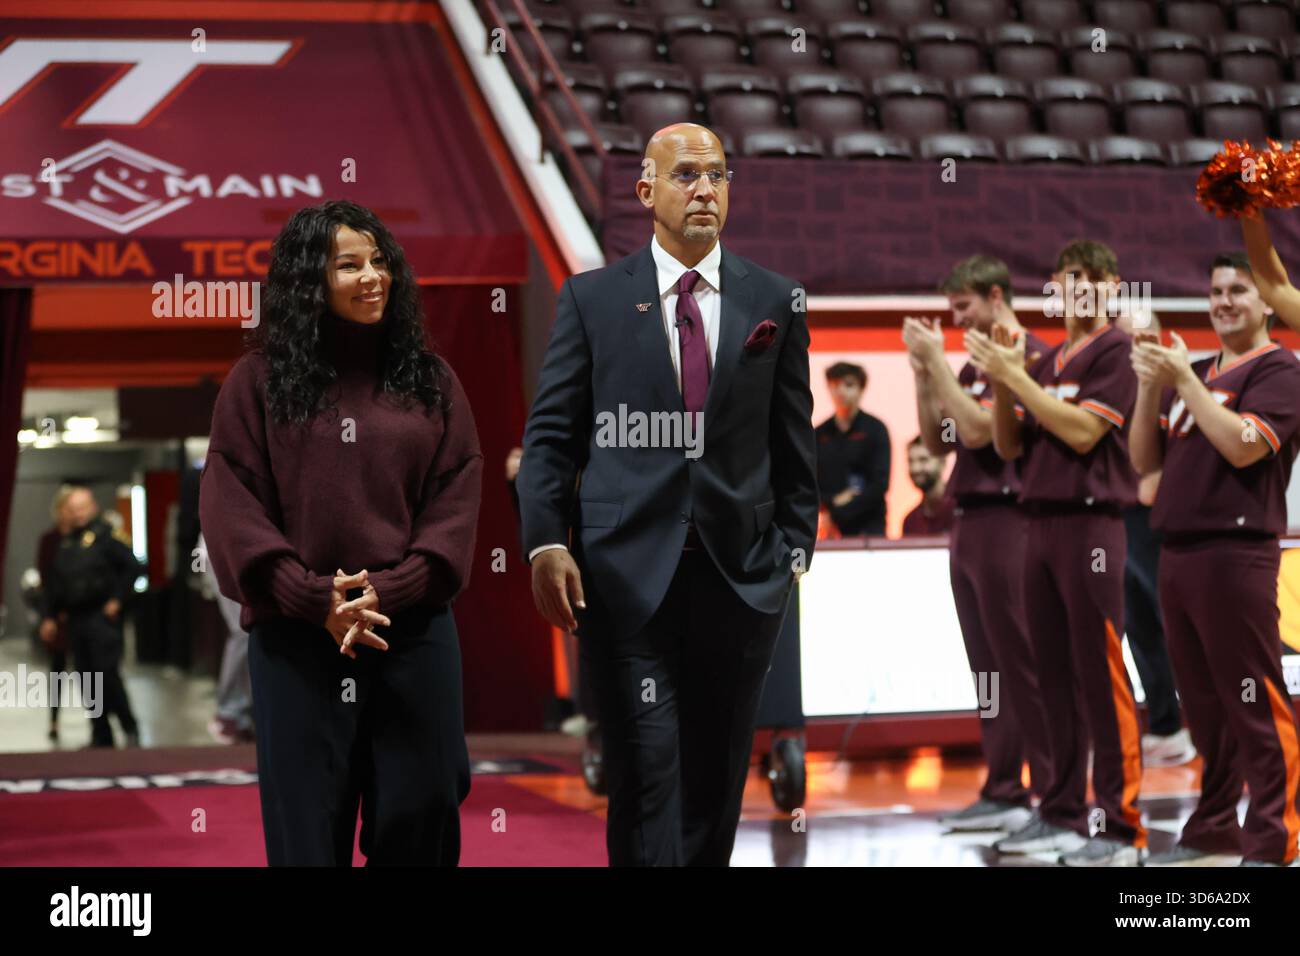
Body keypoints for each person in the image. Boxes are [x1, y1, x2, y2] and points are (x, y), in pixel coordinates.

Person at [516, 123, 818, 866]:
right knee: (646, 775)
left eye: (717, 174)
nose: (706, 189)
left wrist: (796, 550)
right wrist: (547, 540)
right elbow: (552, 437)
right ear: (646, 190)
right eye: (686, 175)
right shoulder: (590, 300)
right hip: (623, 583)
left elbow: (793, 436)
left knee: (715, 785)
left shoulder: (776, 298)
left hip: (740, 580)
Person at [199, 200, 483, 866]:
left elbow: (458, 492)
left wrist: (391, 588)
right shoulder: (256, 384)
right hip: (298, 638)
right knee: (307, 827)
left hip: (411, 631)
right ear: (309, 282)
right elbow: (231, 503)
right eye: (349, 264)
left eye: (379, 261)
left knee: (426, 803)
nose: (372, 277)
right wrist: (309, 595)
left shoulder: (431, 381)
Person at [968, 239, 1146, 866]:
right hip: (1037, 524)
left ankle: (1122, 826)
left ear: (1112, 288)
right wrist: (1000, 378)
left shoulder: (1117, 351)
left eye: (1091, 280)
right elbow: (1010, 446)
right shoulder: (1045, 362)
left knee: (1100, 675)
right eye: (1068, 279)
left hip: (1092, 527)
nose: (1078, 290)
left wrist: (1014, 375)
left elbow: (1081, 429)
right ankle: (1063, 811)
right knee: (1051, 676)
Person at [1131, 252, 1300, 867]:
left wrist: (1184, 382)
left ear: (1267, 305)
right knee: (1204, 707)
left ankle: (1275, 837)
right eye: (1216, 290)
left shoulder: (1281, 369)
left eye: (1238, 290)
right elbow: (1144, 463)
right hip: (1176, 554)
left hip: (1237, 553)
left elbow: (1242, 448)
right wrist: (1152, 382)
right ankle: (1213, 827)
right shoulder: (1195, 371)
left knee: (1254, 702)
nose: (1224, 300)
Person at [902, 255, 1053, 834]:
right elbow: (940, 441)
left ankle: (1051, 793)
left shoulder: (1027, 355)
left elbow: (978, 430)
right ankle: (1004, 786)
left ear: (995, 296)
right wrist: (923, 374)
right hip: (967, 519)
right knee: (987, 668)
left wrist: (937, 360)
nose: (957, 319)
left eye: (963, 307)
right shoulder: (969, 366)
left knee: (1023, 662)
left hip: (1010, 518)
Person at [1112, 311, 1196, 767]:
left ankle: (1201, 722)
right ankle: (1166, 724)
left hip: (1156, 520)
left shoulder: (1171, 384)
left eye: (1138, 335)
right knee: (1139, 627)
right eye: (1122, 335)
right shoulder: (1114, 384)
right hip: (1120, 514)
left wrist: (1161, 475)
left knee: (1173, 624)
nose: (1129, 344)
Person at [39, 485, 142, 749]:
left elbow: (133, 566)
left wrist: (117, 600)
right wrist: (49, 616)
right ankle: (101, 734)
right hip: (75, 619)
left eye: (82, 508)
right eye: (73, 509)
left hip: (101, 618)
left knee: (107, 674)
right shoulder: (66, 540)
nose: (78, 514)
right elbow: (55, 584)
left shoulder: (106, 535)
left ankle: (129, 727)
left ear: (93, 507)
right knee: (87, 679)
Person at [815, 362, 890, 535]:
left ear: (861, 388)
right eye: (834, 385)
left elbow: (880, 484)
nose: (840, 391)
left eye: (848, 385)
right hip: (830, 529)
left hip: (869, 528)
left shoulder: (876, 429)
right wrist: (833, 502)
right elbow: (808, 484)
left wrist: (839, 509)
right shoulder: (818, 434)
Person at [35, 486, 75, 745]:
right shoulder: (49, 541)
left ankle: (101, 724)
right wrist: (48, 616)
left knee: (92, 672)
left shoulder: (87, 537)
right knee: (57, 669)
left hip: (83, 612)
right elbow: (46, 582)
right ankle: (53, 719)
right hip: (58, 615)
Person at [900, 436, 954, 535]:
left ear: (942, 462)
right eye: (910, 461)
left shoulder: (960, 511)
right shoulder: (910, 521)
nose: (915, 468)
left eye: (923, 460)